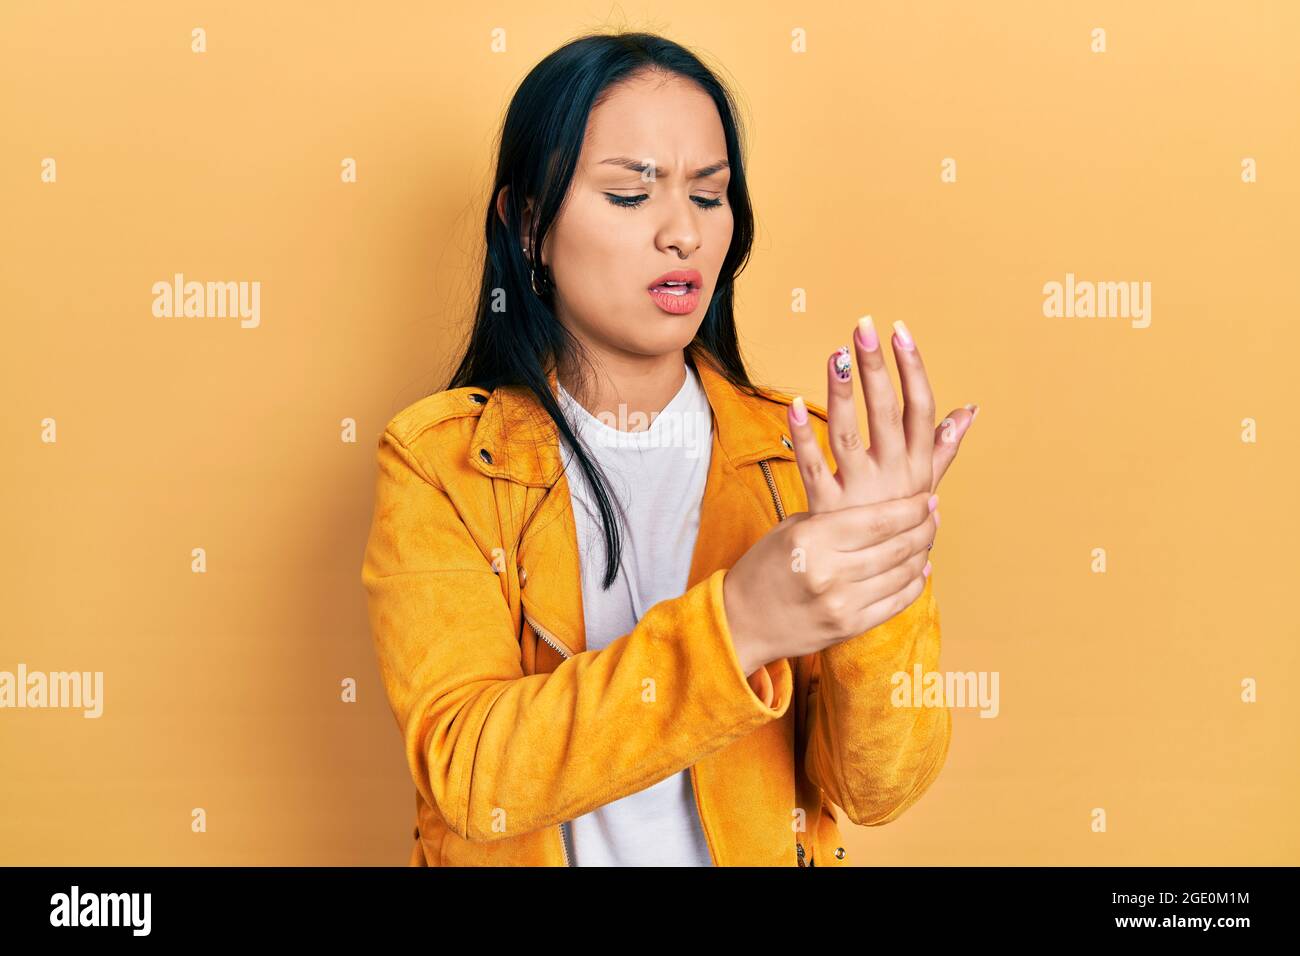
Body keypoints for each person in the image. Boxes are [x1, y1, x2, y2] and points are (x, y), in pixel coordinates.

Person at [360, 31, 976, 867]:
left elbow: (878, 791)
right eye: (628, 195)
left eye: (710, 195)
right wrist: (741, 623)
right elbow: (473, 776)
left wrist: (883, 585)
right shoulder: (445, 465)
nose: (682, 234)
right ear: (530, 225)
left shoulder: (808, 465)